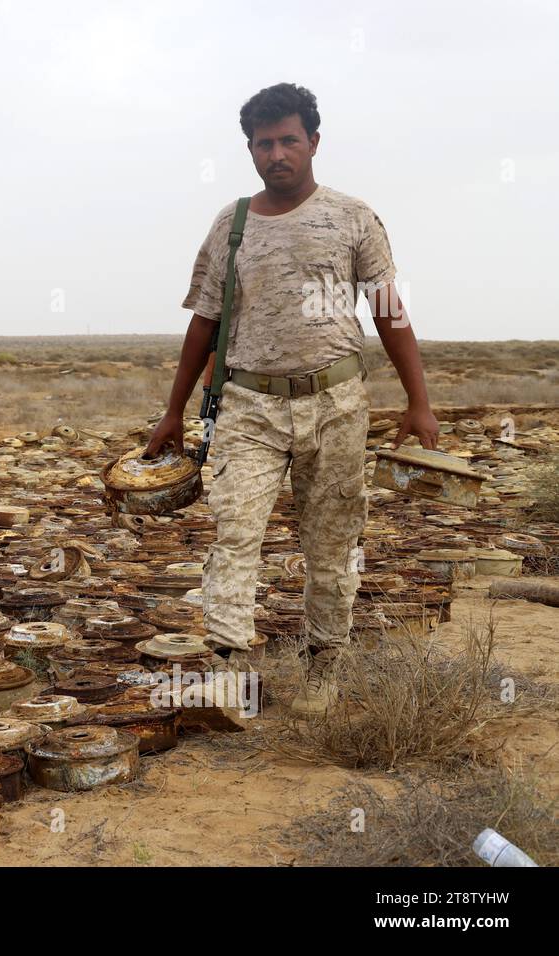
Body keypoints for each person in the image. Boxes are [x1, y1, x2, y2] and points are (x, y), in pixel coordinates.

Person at [144, 82, 439, 715]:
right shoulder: (233, 224)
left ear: (313, 143)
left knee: (332, 541)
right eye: (262, 143)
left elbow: (388, 311)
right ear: (249, 149)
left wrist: (419, 401)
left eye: (288, 141)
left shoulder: (353, 217)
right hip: (248, 404)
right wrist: (173, 411)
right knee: (234, 534)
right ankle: (229, 670)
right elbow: (204, 321)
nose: (276, 154)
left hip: (335, 401)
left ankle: (326, 663)